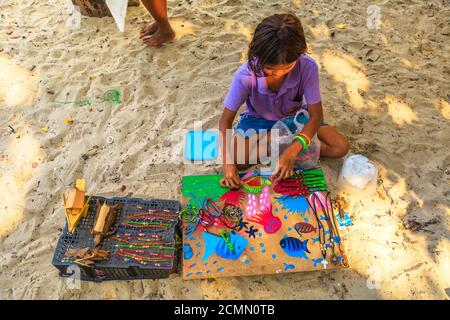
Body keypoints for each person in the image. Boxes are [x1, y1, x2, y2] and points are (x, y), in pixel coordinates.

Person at [219, 13, 350, 189]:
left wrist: (294, 148)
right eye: (270, 70)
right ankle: (281, 144)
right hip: (258, 122)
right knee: (236, 159)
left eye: (287, 68)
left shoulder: (307, 67)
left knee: (339, 147)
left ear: (300, 54)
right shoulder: (246, 75)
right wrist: (228, 165)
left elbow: (316, 117)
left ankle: (283, 146)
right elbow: (225, 120)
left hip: (294, 119)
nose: (278, 74)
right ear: (257, 56)